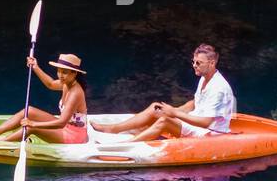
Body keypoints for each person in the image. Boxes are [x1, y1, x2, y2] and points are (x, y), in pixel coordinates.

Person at [95, 44, 235, 141]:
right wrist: (172, 110)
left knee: (164, 121)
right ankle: (114, 129)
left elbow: (205, 123)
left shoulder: (219, 88)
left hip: (211, 133)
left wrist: (174, 114)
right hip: (197, 124)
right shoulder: (205, 78)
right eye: (193, 61)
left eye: (198, 63)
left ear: (211, 63)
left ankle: (127, 145)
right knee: (157, 108)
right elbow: (194, 103)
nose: (194, 65)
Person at [0, 54, 89, 143]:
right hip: (66, 127)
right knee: (29, 110)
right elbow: (50, 84)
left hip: (74, 136)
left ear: (75, 74)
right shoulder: (66, 83)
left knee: (31, 128)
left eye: (64, 72)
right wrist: (35, 67)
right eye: (59, 71)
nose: (60, 75)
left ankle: (0, 143)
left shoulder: (76, 92)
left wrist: (33, 124)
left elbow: (61, 123)